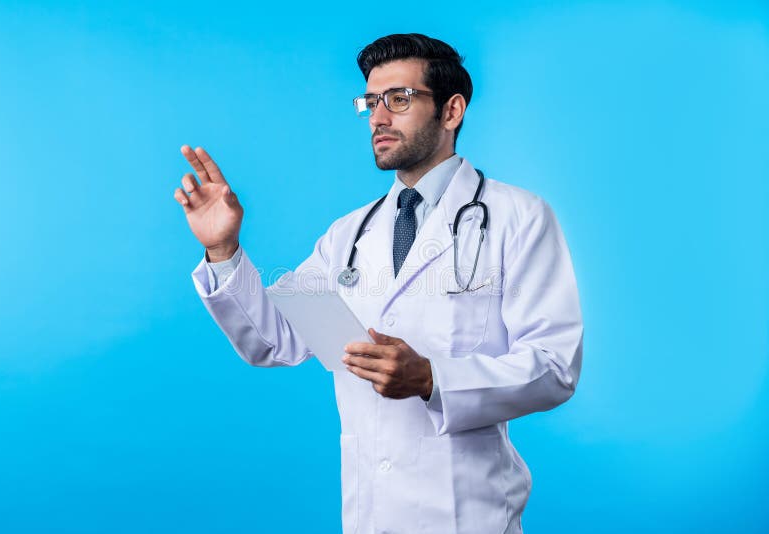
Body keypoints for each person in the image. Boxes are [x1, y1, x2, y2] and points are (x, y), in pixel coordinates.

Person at [174, 33, 583, 534]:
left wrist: (433, 379)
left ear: (451, 111)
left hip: (467, 516)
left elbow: (555, 365)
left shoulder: (518, 217)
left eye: (399, 99)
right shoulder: (349, 234)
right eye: (371, 102)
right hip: (370, 513)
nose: (378, 117)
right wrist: (223, 249)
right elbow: (273, 340)